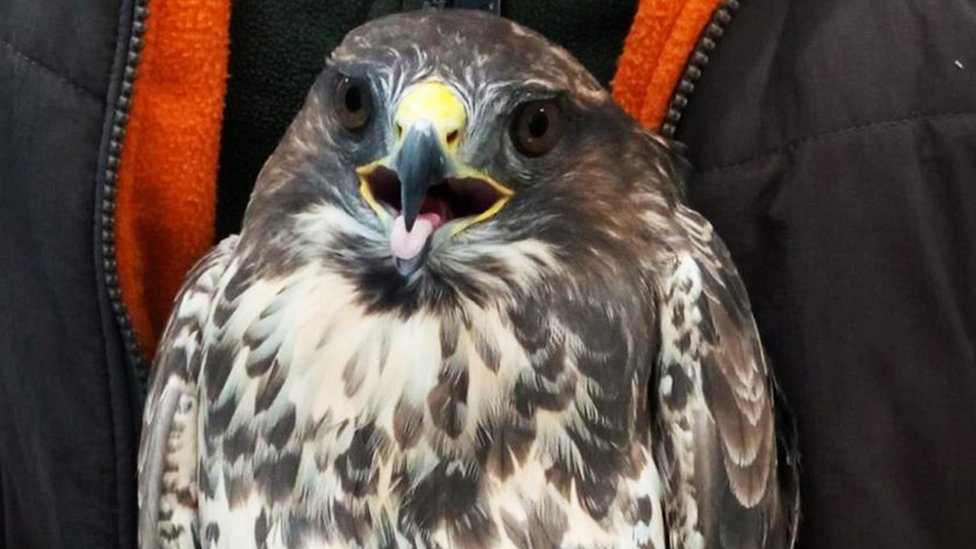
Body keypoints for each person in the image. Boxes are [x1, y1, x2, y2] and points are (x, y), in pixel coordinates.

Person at [1, 0, 973, 547]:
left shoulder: (669, 293)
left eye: (532, 130)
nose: (424, 148)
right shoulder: (222, 307)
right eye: (355, 112)